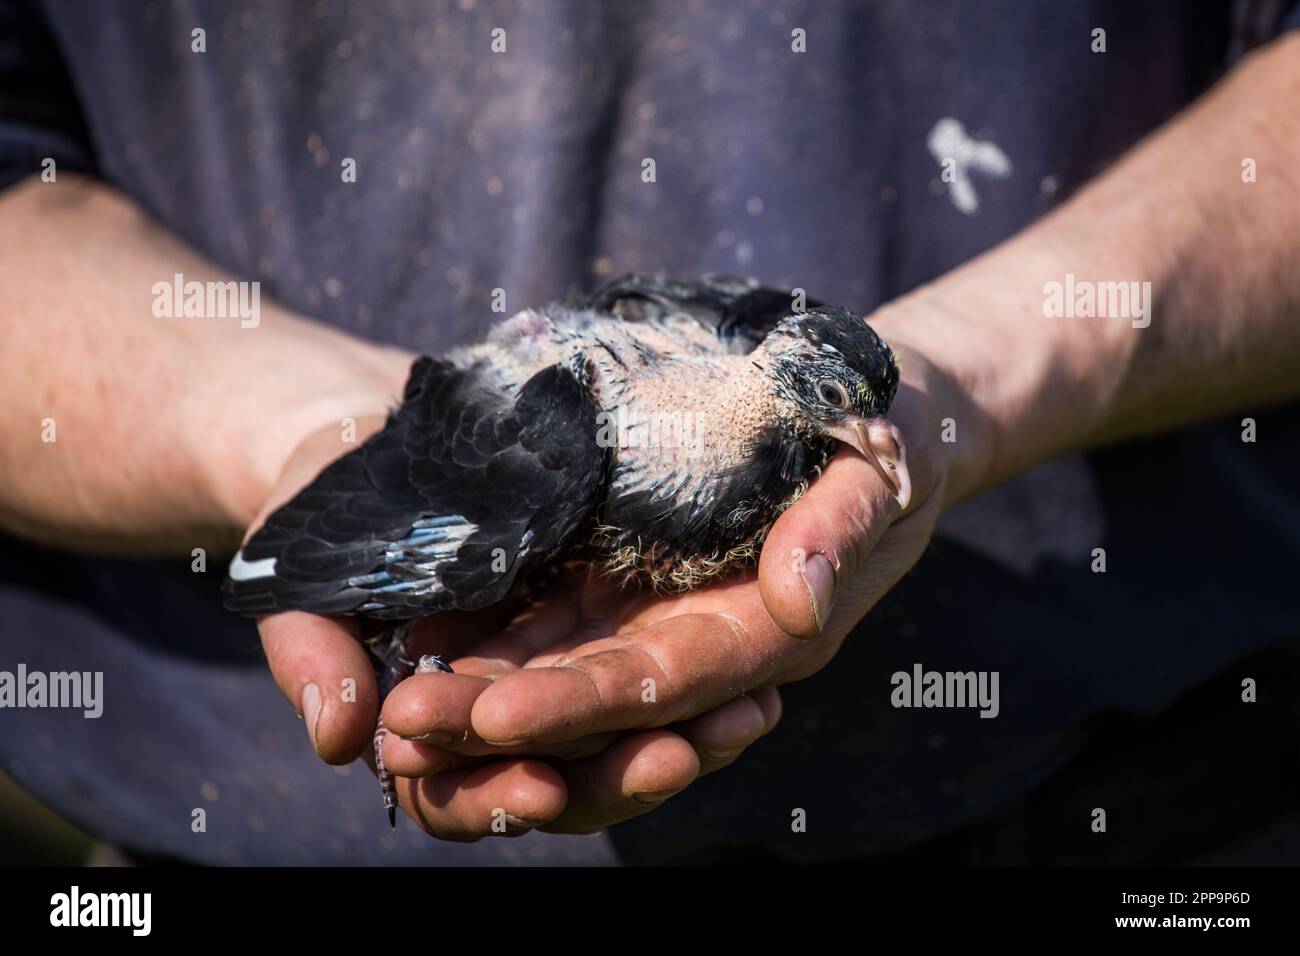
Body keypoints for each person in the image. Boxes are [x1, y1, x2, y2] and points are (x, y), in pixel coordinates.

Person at [2, 0, 1299, 865]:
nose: (874, 440)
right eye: (852, 415)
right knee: (470, 534)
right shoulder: (562, 450)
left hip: (1140, 803)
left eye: (865, 415)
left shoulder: (793, 383)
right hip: (229, 836)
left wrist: (975, 380)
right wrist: (295, 446)